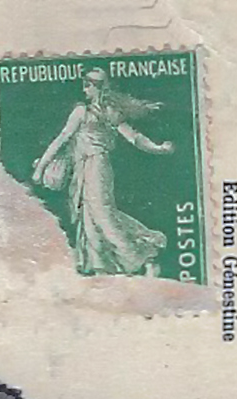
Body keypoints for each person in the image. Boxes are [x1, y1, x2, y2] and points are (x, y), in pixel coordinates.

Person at [31, 66, 175, 277]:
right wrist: (42, 167)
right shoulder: (83, 111)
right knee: (89, 215)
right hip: (84, 168)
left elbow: (133, 137)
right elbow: (61, 140)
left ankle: (143, 255)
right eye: (84, 84)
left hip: (97, 168)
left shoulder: (106, 113)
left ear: (97, 87)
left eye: (88, 85)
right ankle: (100, 266)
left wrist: (157, 148)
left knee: (102, 214)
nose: (84, 89)